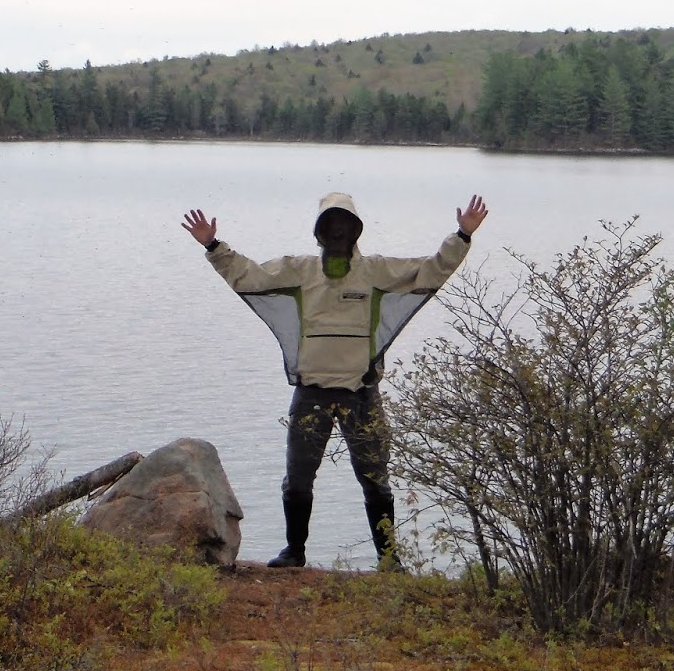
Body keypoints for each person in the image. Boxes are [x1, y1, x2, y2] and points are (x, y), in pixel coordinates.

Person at [182, 192, 488, 570]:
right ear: (320, 233)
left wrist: (461, 235)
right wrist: (214, 246)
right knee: (297, 480)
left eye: (345, 226)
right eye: (331, 226)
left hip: (362, 393)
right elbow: (250, 276)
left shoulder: (375, 271)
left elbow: (430, 270)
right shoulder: (299, 270)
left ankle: (388, 560)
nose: (338, 232)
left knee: (376, 480)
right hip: (311, 393)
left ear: (355, 231)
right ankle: (295, 552)